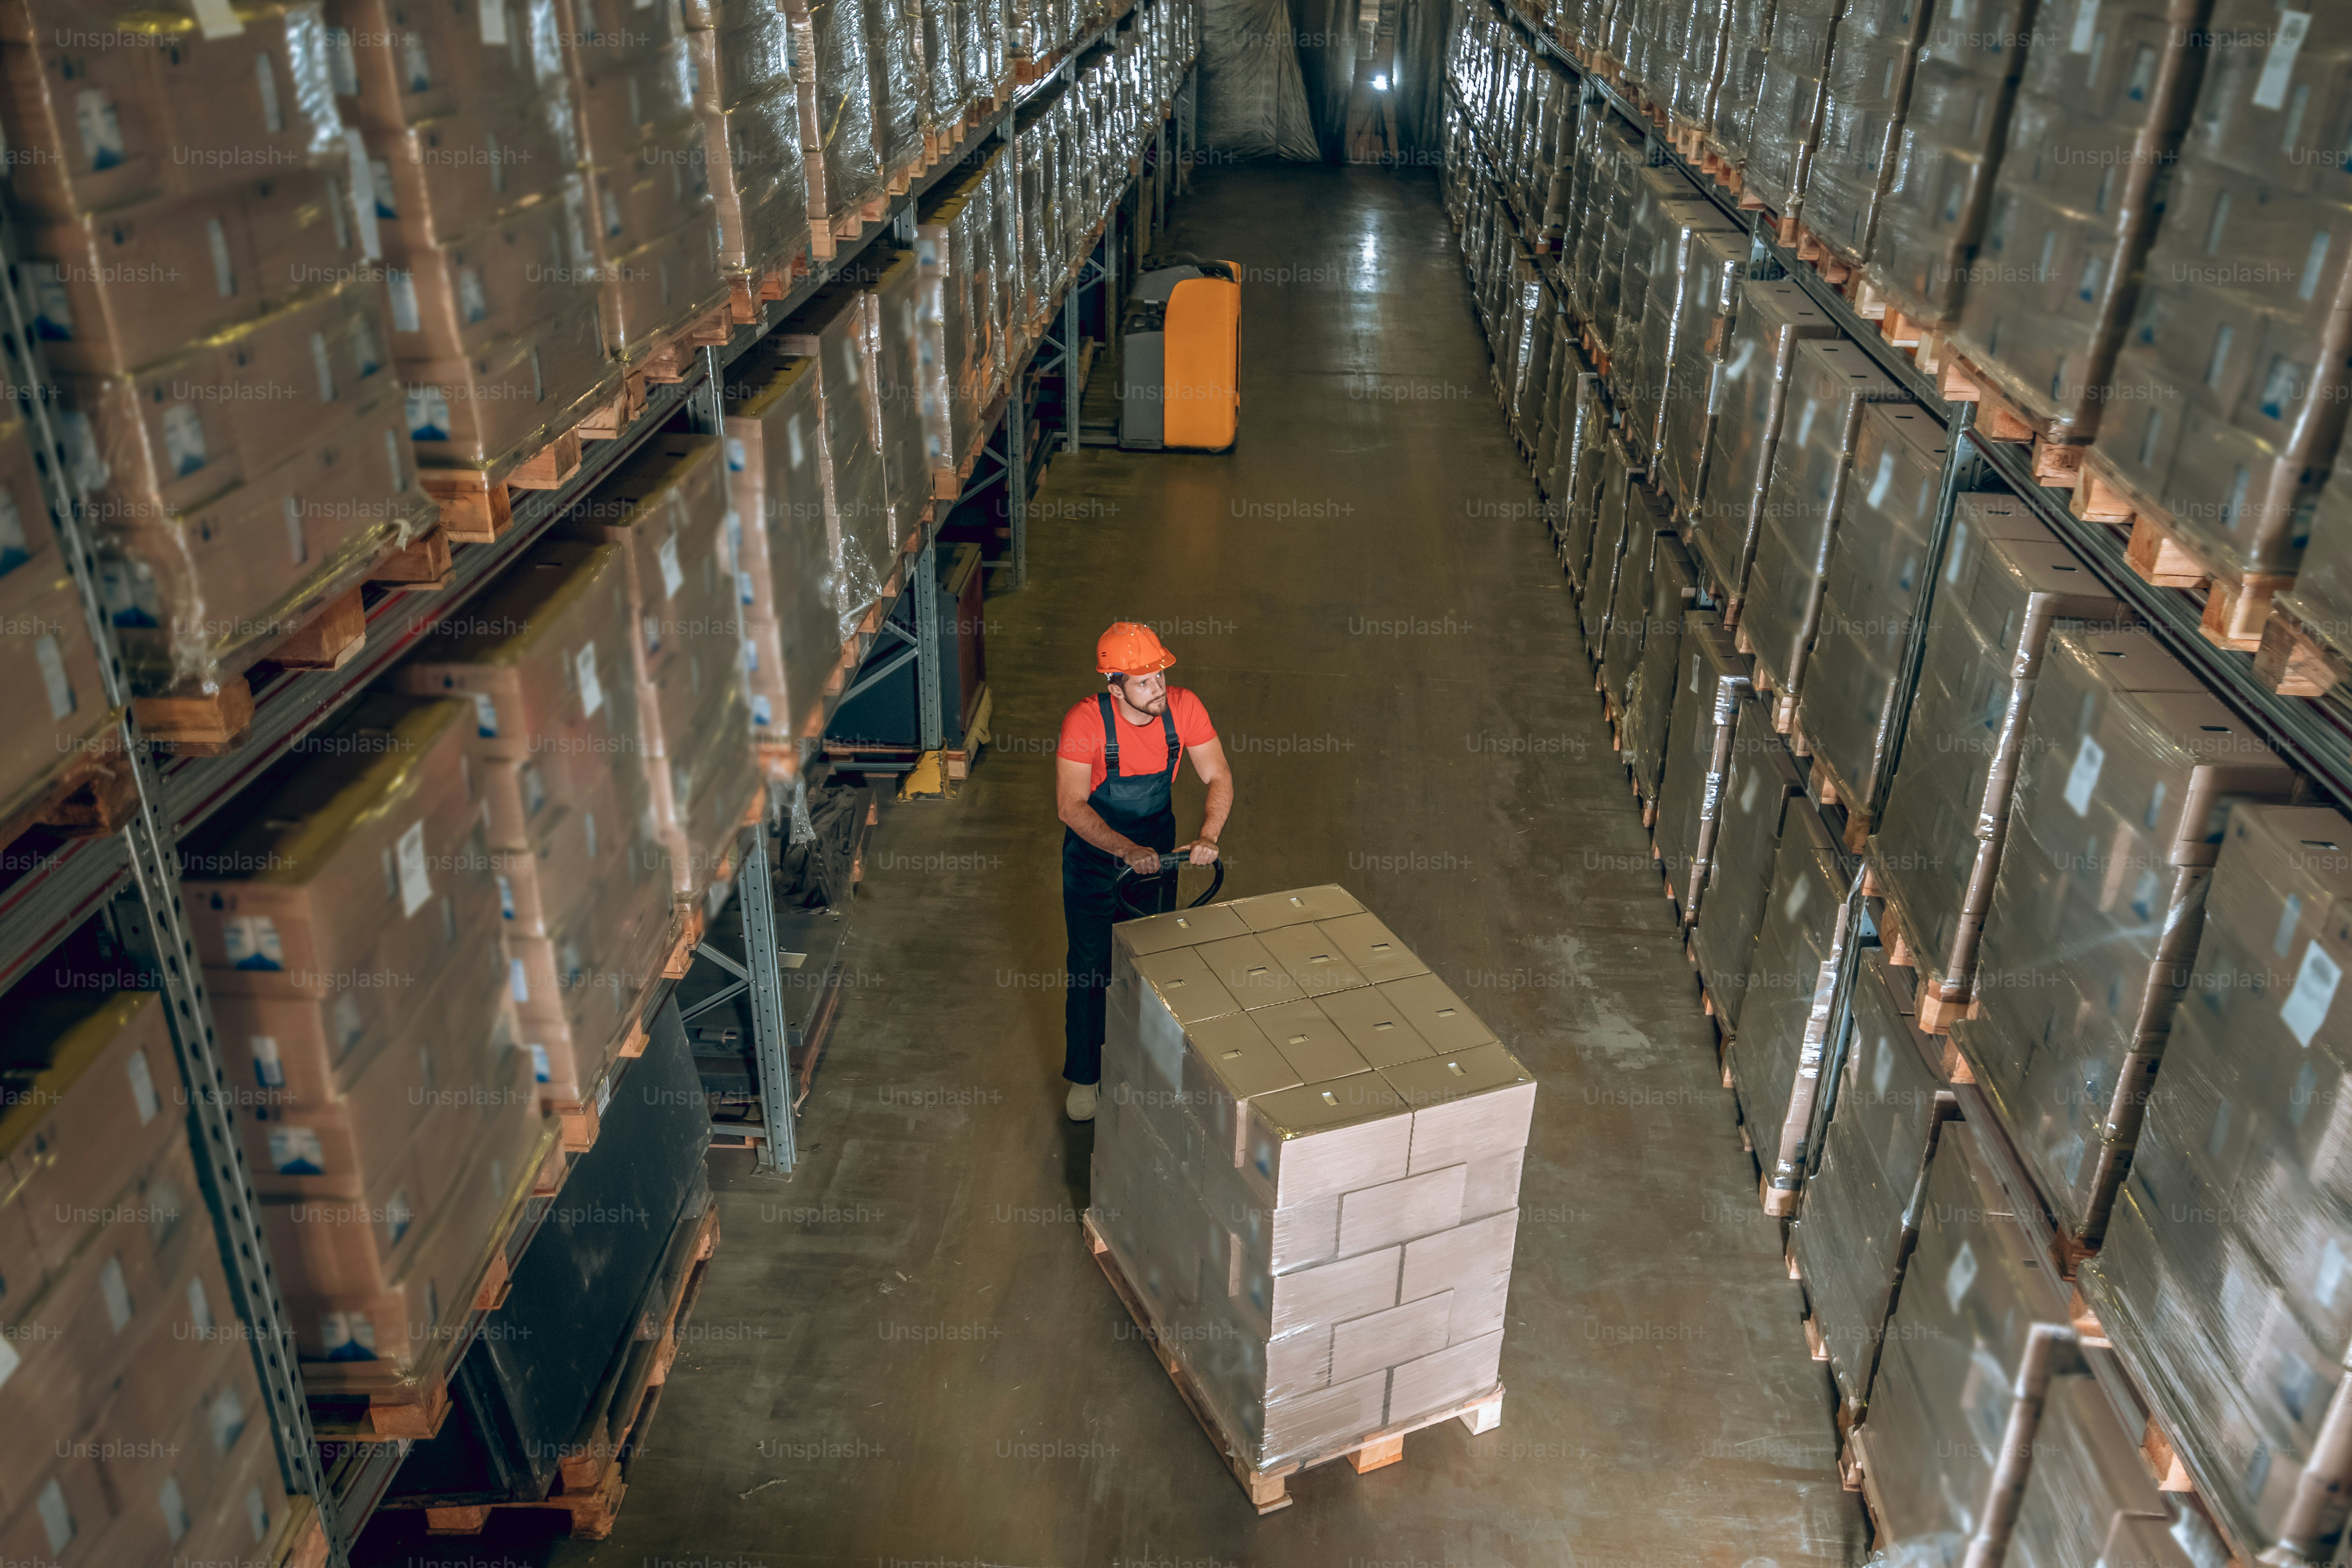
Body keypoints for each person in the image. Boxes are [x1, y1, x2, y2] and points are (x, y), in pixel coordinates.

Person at [1055, 623, 1233, 1122]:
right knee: (1090, 968)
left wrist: (1208, 837)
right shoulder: (1086, 721)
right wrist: (1126, 849)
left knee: (1150, 963)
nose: (1158, 689)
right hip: (1095, 861)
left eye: (1159, 676)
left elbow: (1218, 774)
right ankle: (1086, 1076)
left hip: (1156, 858)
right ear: (1116, 689)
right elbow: (1070, 806)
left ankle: (1143, 1066)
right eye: (1143, 682)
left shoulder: (1183, 707)